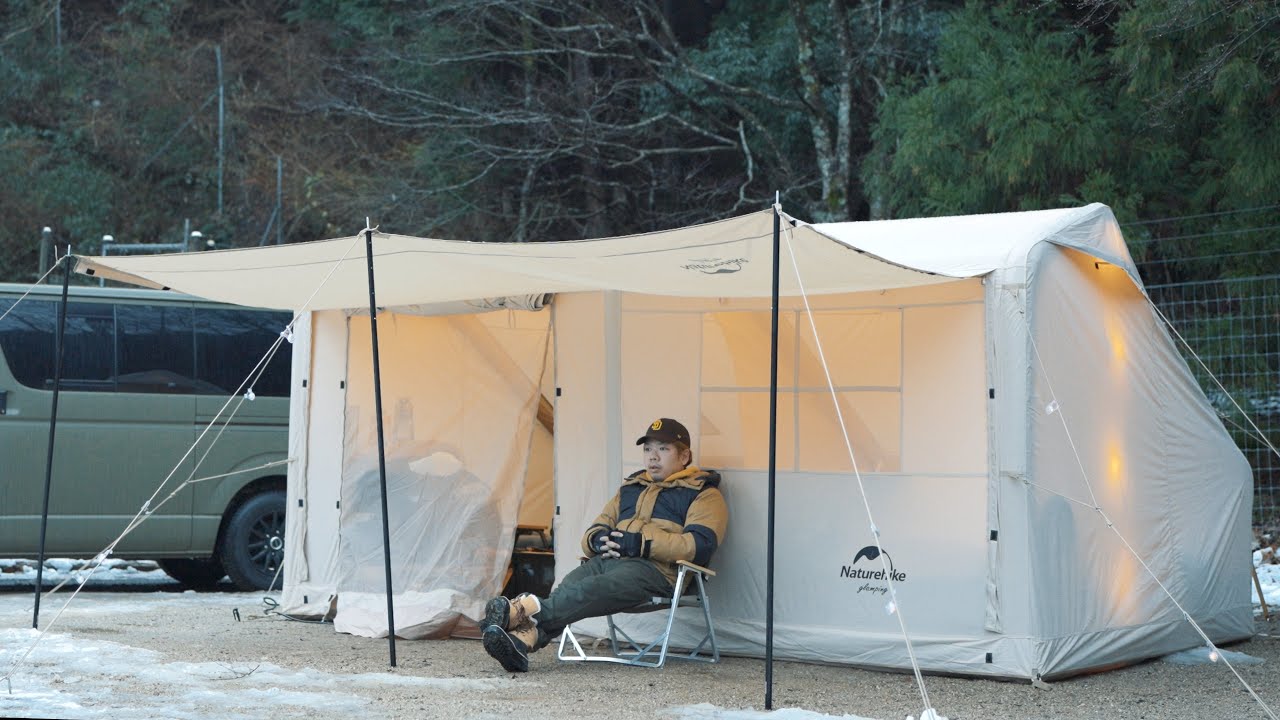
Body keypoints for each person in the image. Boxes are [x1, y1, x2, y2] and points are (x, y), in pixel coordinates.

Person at [481, 417, 728, 672]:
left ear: (684, 456)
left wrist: (643, 545)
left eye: (663, 449)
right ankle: (521, 641)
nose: (653, 457)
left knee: (588, 590)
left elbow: (699, 546)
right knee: (570, 585)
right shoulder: (631, 488)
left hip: (656, 571)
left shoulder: (704, 493)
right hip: (609, 561)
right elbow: (595, 530)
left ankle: (518, 612)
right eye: (647, 449)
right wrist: (598, 541)